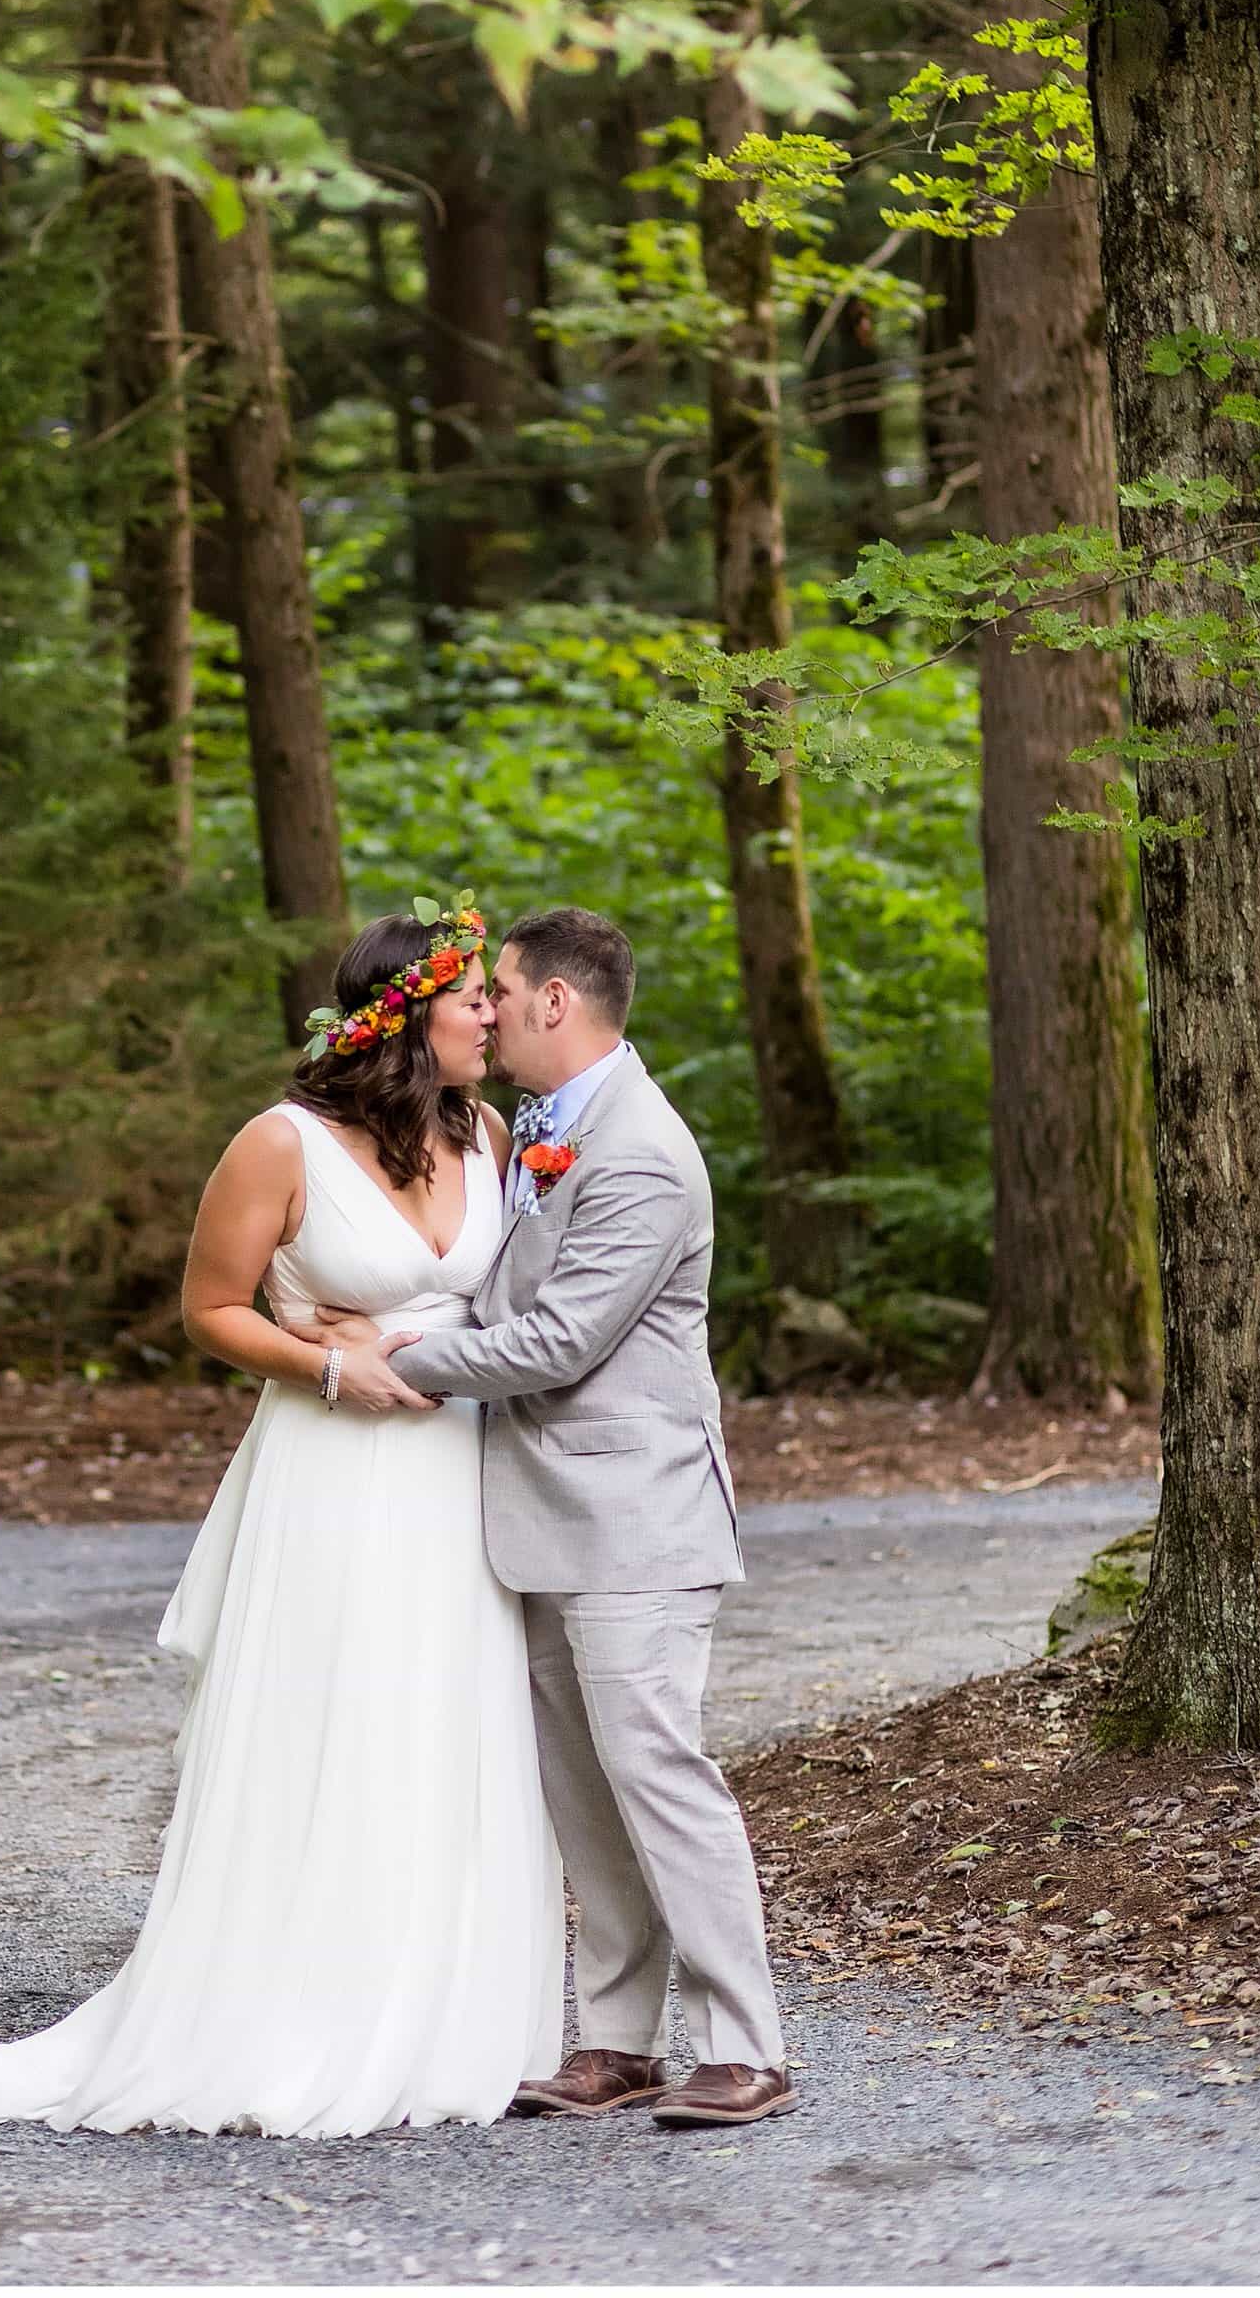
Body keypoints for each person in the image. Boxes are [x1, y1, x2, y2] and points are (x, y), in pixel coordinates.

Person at [0, 896, 564, 2137]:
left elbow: (507, 1300)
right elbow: (209, 1309)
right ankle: (292, 2013)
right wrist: (325, 1361)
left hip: (461, 1471)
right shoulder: (279, 1145)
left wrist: (438, 1343)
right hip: (333, 1473)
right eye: (469, 996)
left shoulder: (488, 1134)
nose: (492, 1014)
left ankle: (445, 2019)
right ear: (404, 1016)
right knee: (333, 1720)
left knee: (450, 1723)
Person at [327, 901, 793, 2131]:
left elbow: (558, 1340)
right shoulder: (540, 1132)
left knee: (660, 1778)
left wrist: (392, 1358)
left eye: (498, 987)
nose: (482, 1007)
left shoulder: (639, 1151)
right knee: (584, 1796)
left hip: (635, 1518)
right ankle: (621, 2042)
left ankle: (745, 2047)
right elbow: (499, 1295)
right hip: (542, 1514)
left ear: (553, 1001)